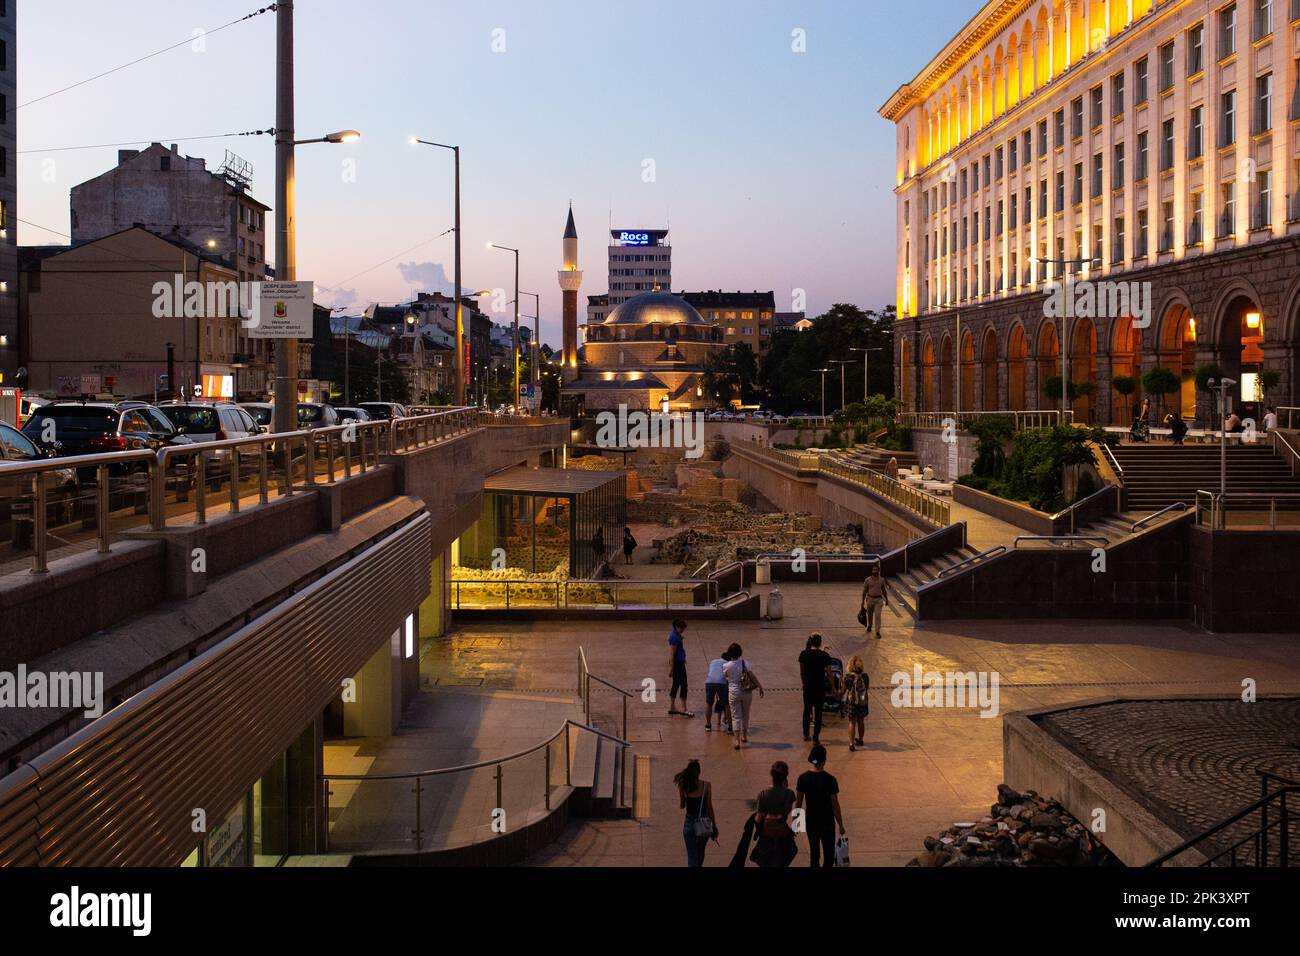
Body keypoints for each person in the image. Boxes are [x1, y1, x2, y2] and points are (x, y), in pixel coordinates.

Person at [796, 745, 845, 868]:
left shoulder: (803, 778)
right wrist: (841, 824)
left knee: (814, 854)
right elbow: (835, 805)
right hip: (827, 822)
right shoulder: (831, 780)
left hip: (811, 821)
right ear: (824, 760)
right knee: (829, 855)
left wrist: (797, 824)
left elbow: (799, 803)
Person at [750, 761, 797, 868]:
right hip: (782, 832)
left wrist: (758, 829)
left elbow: (758, 818)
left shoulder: (763, 794)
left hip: (767, 832)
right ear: (785, 777)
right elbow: (786, 812)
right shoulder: (789, 794)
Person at [674, 759, 717, 867]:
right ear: (699, 772)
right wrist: (714, 825)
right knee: (700, 851)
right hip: (704, 823)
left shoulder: (684, 786)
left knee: (692, 853)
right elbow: (709, 807)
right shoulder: (706, 786)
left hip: (689, 823)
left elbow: (682, 805)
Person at [722, 642, 763, 750]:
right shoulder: (746, 663)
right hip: (746, 692)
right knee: (746, 715)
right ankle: (744, 736)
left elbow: (726, 676)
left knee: (736, 717)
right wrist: (760, 686)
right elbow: (752, 676)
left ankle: (736, 741)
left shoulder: (726, 665)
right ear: (740, 653)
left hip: (733, 692)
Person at [797, 634, 834, 744]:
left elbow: (802, 672)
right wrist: (833, 687)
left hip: (808, 687)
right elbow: (829, 673)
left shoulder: (803, 654)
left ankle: (805, 733)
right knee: (818, 712)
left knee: (806, 710)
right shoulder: (824, 656)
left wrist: (804, 683)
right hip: (820, 687)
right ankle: (816, 737)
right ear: (820, 642)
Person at [667, 618, 694, 717]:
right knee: (684, 685)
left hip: (679, 662)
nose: (683, 630)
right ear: (677, 627)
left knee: (676, 684)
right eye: (681, 628)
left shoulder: (675, 635)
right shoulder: (675, 637)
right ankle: (684, 708)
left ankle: (672, 706)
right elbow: (672, 654)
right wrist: (671, 668)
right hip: (678, 664)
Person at [842, 656, 870, 751]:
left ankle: (851, 743)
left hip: (852, 703)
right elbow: (866, 689)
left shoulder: (848, 677)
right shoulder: (865, 677)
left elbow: (842, 691)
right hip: (862, 702)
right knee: (861, 721)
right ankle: (861, 739)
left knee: (852, 722)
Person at [704, 648, 733, 733]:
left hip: (709, 682)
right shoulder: (728, 664)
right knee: (727, 705)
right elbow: (728, 677)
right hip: (721, 683)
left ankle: (708, 725)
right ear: (729, 659)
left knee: (709, 704)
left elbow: (712, 672)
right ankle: (730, 727)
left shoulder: (713, 661)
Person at [860, 564, 889, 639]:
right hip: (870, 599)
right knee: (870, 614)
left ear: (878, 571)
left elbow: (884, 590)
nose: (875, 571)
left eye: (876, 570)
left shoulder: (882, 580)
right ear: (872, 571)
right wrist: (862, 602)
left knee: (877, 615)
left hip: (879, 600)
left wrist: (886, 599)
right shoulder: (867, 580)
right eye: (874, 570)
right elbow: (864, 591)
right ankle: (869, 625)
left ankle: (877, 631)